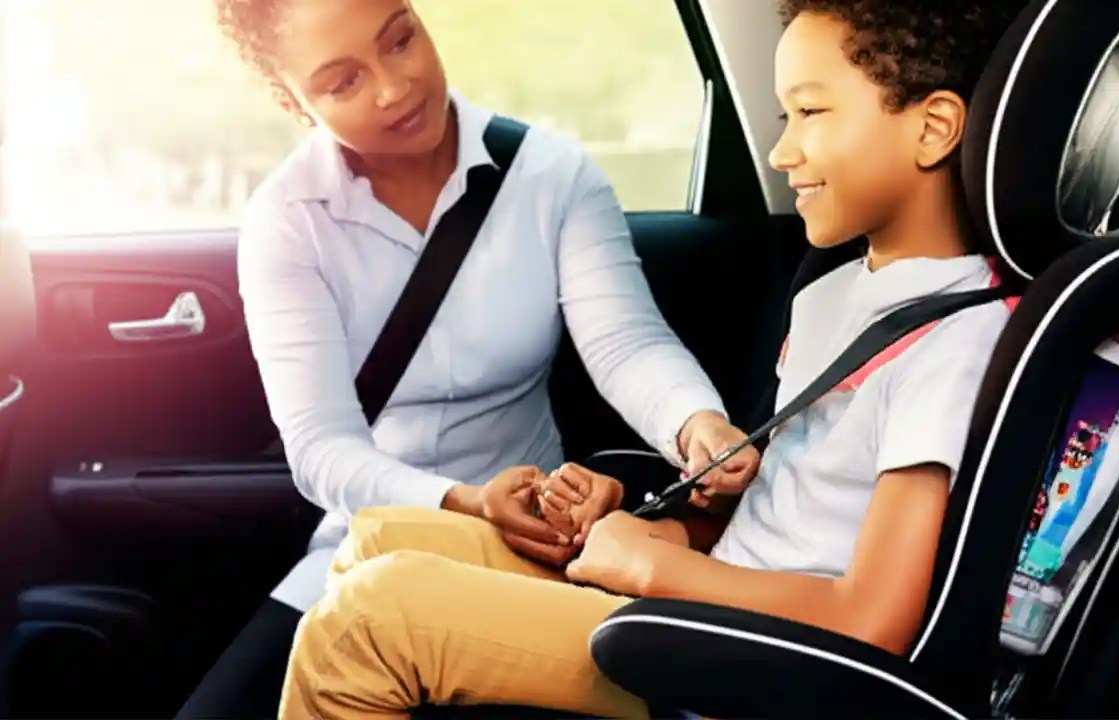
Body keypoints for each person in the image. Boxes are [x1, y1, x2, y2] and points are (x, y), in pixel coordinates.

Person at [278, 0, 1023, 717]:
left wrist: (659, 566)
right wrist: (666, 527)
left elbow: (873, 622)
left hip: (745, 659)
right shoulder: (831, 299)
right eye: (782, 117)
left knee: (362, 627)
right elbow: (788, 513)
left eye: (811, 113)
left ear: (933, 129)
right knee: (381, 536)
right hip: (707, 593)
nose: (779, 150)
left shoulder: (957, 345)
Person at [176, 0, 760, 716]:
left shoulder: (552, 175)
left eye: (400, 39)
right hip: (365, 545)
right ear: (289, 100)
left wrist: (695, 424)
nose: (394, 86)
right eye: (343, 81)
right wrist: (464, 502)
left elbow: (626, 342)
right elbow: (321, 448)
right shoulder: (286, 222)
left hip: (538, 551)